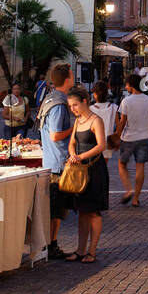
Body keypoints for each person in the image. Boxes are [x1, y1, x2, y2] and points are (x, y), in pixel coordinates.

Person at [64, 88, 108, 263]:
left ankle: (92, 251)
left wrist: (81, 156)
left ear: (84, 101)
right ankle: (80, 250)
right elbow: (72, 143)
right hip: (79, 170)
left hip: (94, 169)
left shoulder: (96, 120)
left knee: (93, 212)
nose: (73, 108)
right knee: (82, 211)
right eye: (70, 106)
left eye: (75, 105)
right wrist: (73, 154)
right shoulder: (78, 121)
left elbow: (101, 145)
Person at [37, 62, 76, 259]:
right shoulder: (59, 103)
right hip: (58, 162)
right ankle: (51, 245)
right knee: (56, 209)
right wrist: (74, 129)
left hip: (50, 159)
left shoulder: (49, 98)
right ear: (67, 79)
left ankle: (51, 244)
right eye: (71, 75)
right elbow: (55, 135)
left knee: (55, 207)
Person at [115, 73, 148, 206]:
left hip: (128, 138)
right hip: (143, 137)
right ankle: (136, 198)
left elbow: (122, 121)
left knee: (122, 164)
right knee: (140, 166)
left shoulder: (126, 101)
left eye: (126, 84)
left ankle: (129, 189)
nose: (126, 87)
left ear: (131, 85)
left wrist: (117, 136)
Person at [90, 80, 120, 169]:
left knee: (94, 167)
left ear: (95, 94)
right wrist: (117, 141)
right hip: (108, 141)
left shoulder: (90, 109)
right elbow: (119, 125)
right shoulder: (113, 107)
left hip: (94, 141)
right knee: (104, 166)